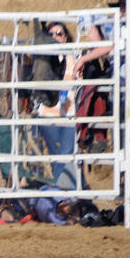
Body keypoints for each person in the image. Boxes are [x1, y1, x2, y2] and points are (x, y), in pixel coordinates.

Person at [35, 19, 82, 190]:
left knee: (66, 153)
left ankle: (64, 192)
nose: (55, 37)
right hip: (48, 114)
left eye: (59, 34)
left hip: (69, 114)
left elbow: (81, 81)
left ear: (65, 37)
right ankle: (63, 195)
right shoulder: (42, 57)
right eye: (51, 34)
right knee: (57, 155)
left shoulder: (74, 55)